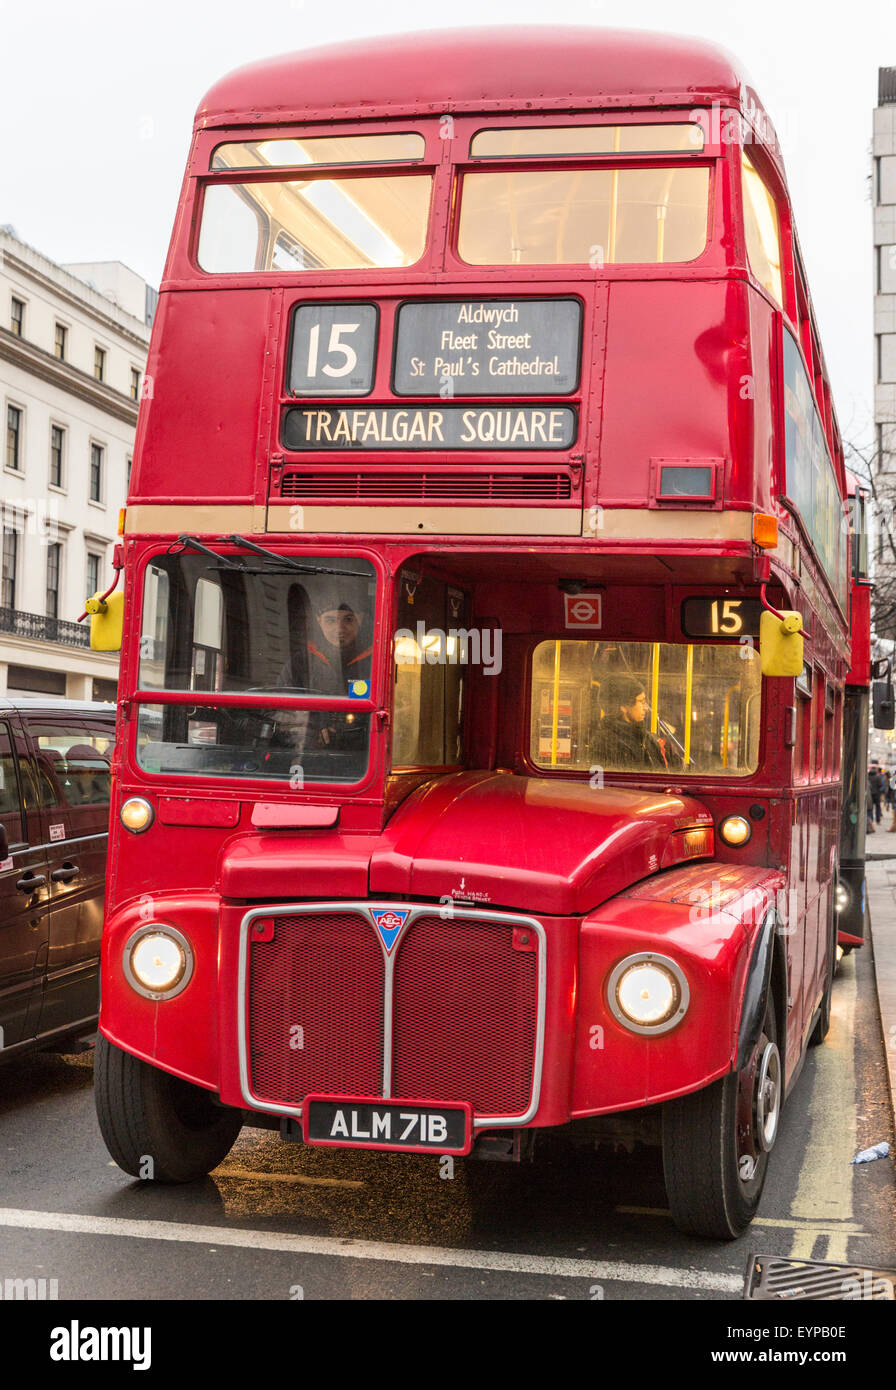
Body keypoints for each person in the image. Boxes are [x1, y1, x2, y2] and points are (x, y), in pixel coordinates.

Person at [591, 673, 668, 771]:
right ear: (624, 706)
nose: (646, 708)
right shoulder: (605, 744)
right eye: (641, 702)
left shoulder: (649, 739)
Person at [869, 763, 885, 828]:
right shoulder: (878, 777)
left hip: (870, 794)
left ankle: (871, 820)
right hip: (877, 794)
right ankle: (878, 820)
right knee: (878, 807)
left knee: (871, 807)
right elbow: (881, 785)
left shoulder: (868, 777)